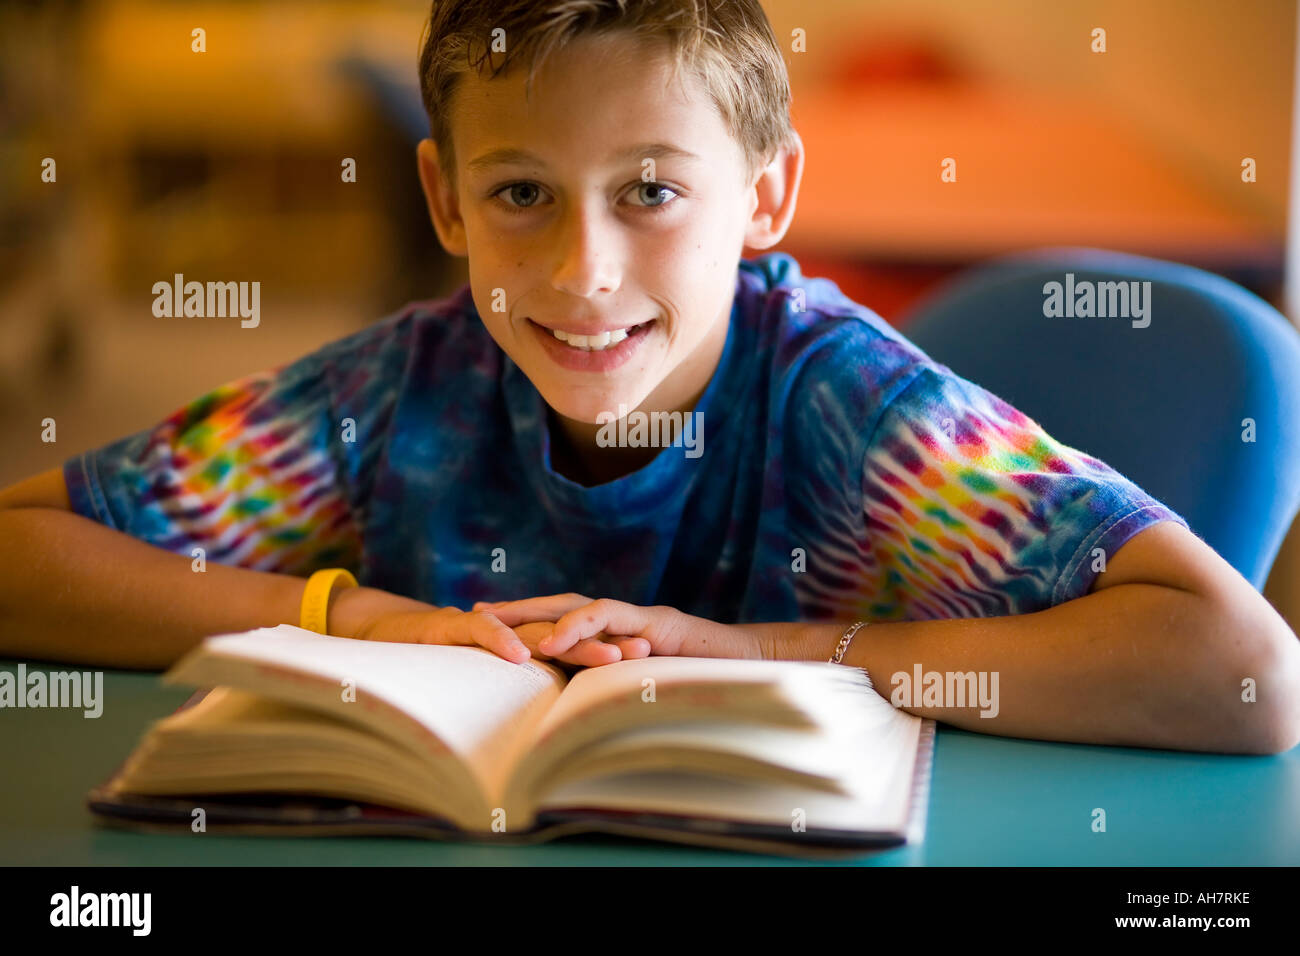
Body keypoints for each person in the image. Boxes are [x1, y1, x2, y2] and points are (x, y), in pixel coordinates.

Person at [2, 0, 1297, 754]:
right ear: (445, 202)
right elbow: (22, 551)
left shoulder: (840, 408)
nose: (581, 270)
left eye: (653, 192)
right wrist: (349, 617)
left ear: (766, 193)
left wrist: (770, 652)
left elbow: (1246, 674)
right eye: (521, 194)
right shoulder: (400, 389)